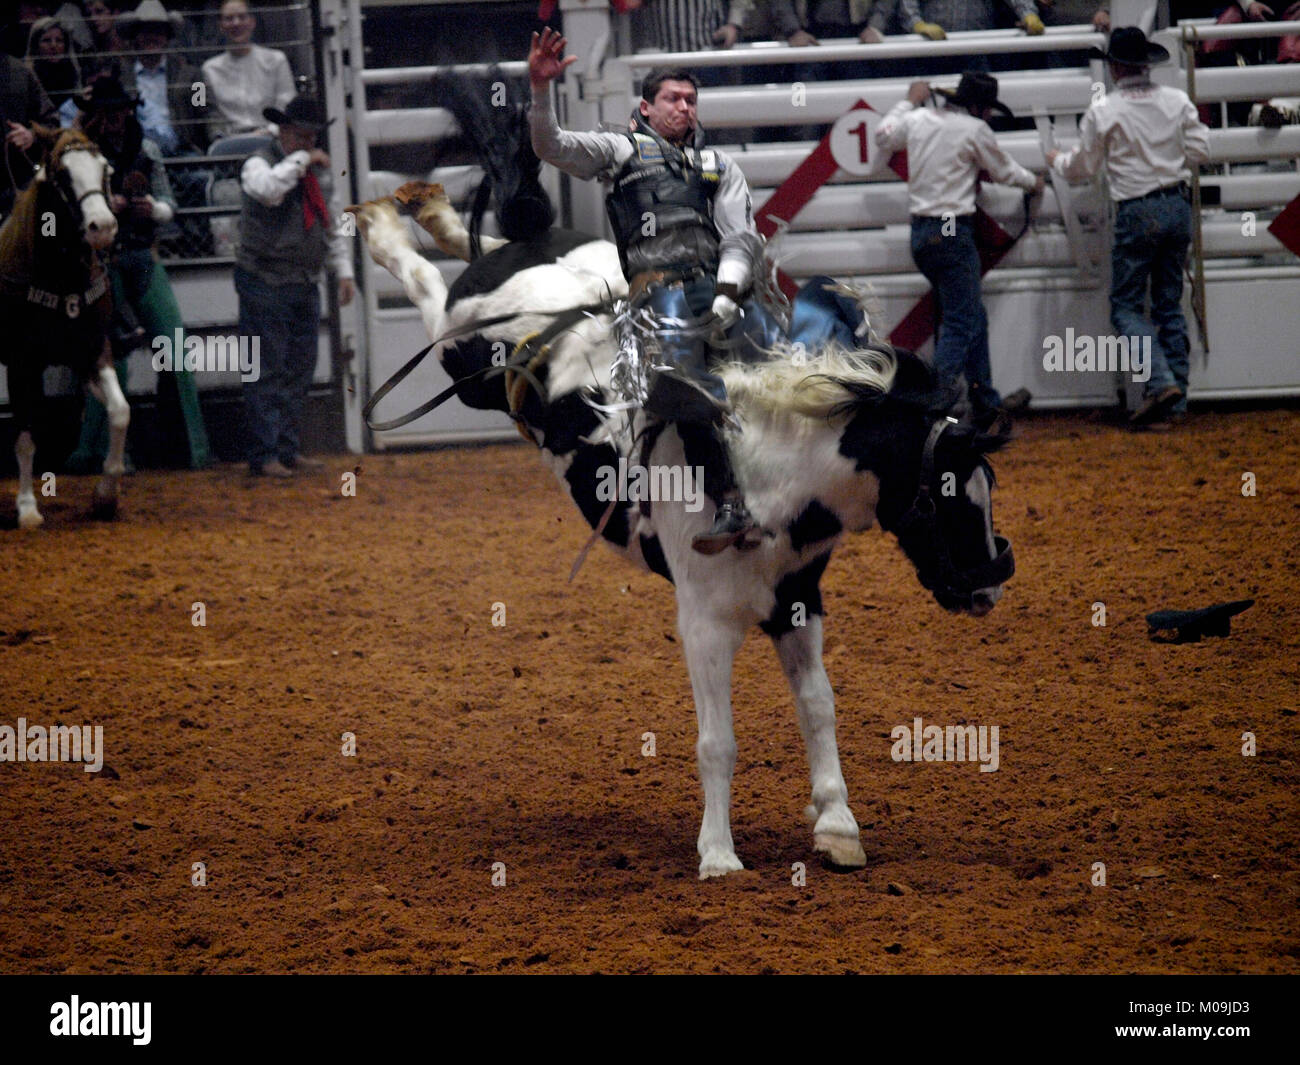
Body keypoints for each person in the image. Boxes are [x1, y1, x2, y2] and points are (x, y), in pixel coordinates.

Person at [528, 27, 764, 554]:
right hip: (657, 299)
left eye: (691, 100)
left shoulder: (719, 167)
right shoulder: (620, 150)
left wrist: (727, 293)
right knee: (686, 385)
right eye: (673, 99)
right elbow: (553, 146)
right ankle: (729, 500)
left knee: (775, 359)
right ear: (647, 107)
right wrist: (541, 91)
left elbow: (741, 237)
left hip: (716, 289)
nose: (684, 108)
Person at [1047, 26, 1210, 429]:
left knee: (1125, 306)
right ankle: (1175, 402)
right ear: (1145, 65)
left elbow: (1084, 166)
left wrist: (1056, 160)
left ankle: (1160, 382)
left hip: (1138, 210)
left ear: (1117, 67)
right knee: (1169, 303)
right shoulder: (1177, 101)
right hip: (1176, 204)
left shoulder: (1106, 110)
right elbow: (1202, 150)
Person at [876, 72, 1044, 424]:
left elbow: (883, 136)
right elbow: (1004, 171)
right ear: (978, 106)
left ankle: (985, 400)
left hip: (923, 234)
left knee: (969, 315)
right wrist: (1034, 183)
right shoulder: (973, 130)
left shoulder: (918, 119)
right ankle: (932, 404)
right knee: (961, 319)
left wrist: (909, 99)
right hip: (952, 231)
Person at [67, 75, 211, 471]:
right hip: (102, 263)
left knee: (174, 348)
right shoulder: (84, 154)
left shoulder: (146, 149)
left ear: (127, 111)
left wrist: (154, 208)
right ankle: (104, 452)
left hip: (142, 256)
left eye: (117, 111)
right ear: (95, 116)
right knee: (111, 358)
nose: (113, 118)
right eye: (105, 112)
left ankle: (187, 449)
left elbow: (168, 202)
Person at [236, 94, 354, 477]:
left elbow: (331, 223)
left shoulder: (314, 172)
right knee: (267, 368)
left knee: (299, 369)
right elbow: (269, 191)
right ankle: (266, 452)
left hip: (303, 279)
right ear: (284, 132)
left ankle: (286, 448)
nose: (307, 144)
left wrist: (344, 270)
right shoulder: (258, 162)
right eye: (300, 137)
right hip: (264, 278)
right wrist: (303, 160)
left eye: (311, 138)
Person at [117, 0, 206, 155]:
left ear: (167, 36)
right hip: (135, 154)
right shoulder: (120, 77)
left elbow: (204, 111)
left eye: (158, 31)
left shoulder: (192, 76)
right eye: (145, 32)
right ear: (135, 37)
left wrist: (217, 137)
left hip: (183, 153)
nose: (152, 37)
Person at [201, 0, 294, 144]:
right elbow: (201, 108)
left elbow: (287, 102)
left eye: (242, 17)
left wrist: (270, 130)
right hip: (229, 143)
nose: (236, 23)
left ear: (252, 22)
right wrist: (218, 136)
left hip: (272, 139)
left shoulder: (277, 60)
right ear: (220, 26)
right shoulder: (207, 69)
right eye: (229, 18)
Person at [0, 50, 57, 220]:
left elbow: (51, 123)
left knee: (49, 227)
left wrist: (31, 135)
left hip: (21, 180)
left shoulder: (20, 72)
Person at [25, 15, 81, 126]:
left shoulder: (73, 73)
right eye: (46, 40)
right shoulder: (26, 77)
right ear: (35, 45)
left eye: (59, 40)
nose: (53, 45)